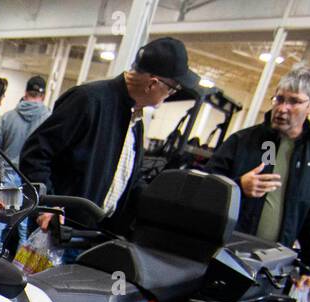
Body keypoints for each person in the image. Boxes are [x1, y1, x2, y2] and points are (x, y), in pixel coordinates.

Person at [21, 37, 196, 237]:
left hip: (95, 235)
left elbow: (131, 178)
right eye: (172, 89)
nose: (170, 95)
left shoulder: (135, 121)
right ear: (153, 83)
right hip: (56, 232)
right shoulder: (88, 101)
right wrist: (48, 205)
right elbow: (35, 154)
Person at [204, 66, 310, 291]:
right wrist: (237, 186)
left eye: (293, 101)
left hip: (275, 264)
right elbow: (205, 187)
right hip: (229, 256)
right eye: (279, 99)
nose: (282, 108)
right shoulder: (244, 141)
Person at [0, 74, 49, 163]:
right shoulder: (49, 121)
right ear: (43, 96)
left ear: (25, 93)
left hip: (4, 174)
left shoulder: (7, 117)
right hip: (30, 176)